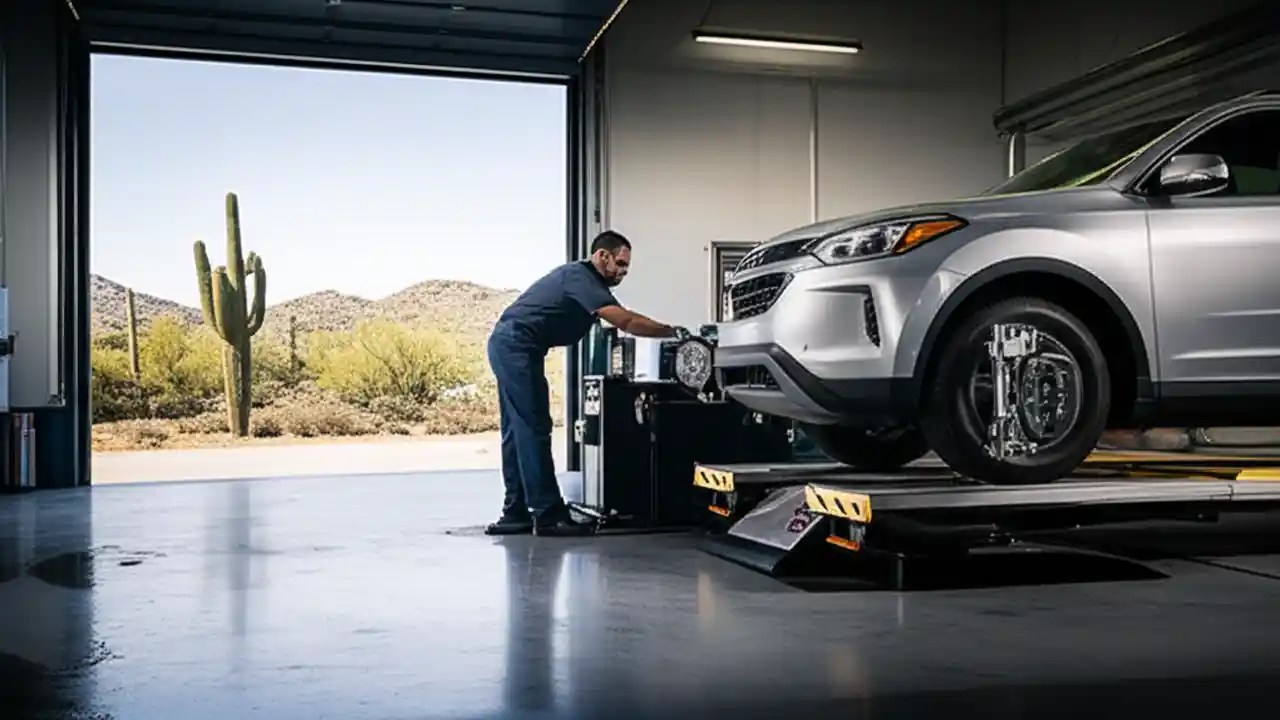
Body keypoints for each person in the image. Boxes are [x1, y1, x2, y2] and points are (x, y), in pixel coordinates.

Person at [485, 230, 688, 537]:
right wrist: (673, 332)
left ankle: (516, 513)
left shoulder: (587, 284)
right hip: (516, 345)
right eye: (619, 263)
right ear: (601, 255)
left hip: (512, 344)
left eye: (627, 267)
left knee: (517, 431)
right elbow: (626, 321)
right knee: (533, 426)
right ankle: (548, 514)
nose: (623, 271)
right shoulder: (580, 277)